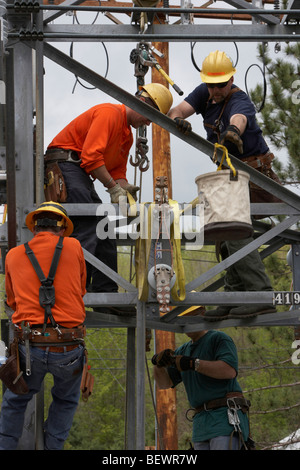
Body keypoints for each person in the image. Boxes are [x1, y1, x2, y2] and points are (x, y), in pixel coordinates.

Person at [168, 50, 276, 320]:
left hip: (255, 176)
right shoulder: (205, 93)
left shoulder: (240, 99)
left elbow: (239, 118)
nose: (215, 90)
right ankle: (234, 294)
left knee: (235, 231)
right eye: (211, 85)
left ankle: (260, 294)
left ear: (231, 80)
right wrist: (178, 119)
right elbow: (178, 110)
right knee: (226, 236)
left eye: (221, 85)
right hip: (231, 177)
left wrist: (234, 131)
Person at [44, 84, 173, 295]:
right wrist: (113, 188)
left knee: (104, 227)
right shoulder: (109, 114)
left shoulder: (127, 135)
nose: (148, 123)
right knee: (87, 223)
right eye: (150, 116)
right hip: (65, 165)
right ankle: (74, 290)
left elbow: (116, 171)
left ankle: (105, 292)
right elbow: (91, 157)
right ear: (141, 103)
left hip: (79, 172)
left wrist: (124, 188)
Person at [0, 201, 87, 450]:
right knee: (65, 401)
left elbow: (12, 301)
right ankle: (53, 446)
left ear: (34, 227)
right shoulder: (74, 246)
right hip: (67, 345)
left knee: (15, 400)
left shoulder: (14, 254)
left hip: (30, 345)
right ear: (62, 228)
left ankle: (5, 446)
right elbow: (81, 289)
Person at [152, 328, 251, 450]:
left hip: (223, 418)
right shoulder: (183, 351)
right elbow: (164, 383)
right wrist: (159, 365)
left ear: (201, 314)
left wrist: (194, 364)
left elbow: (229, 370)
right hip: (201, 424)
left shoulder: (218, 338)